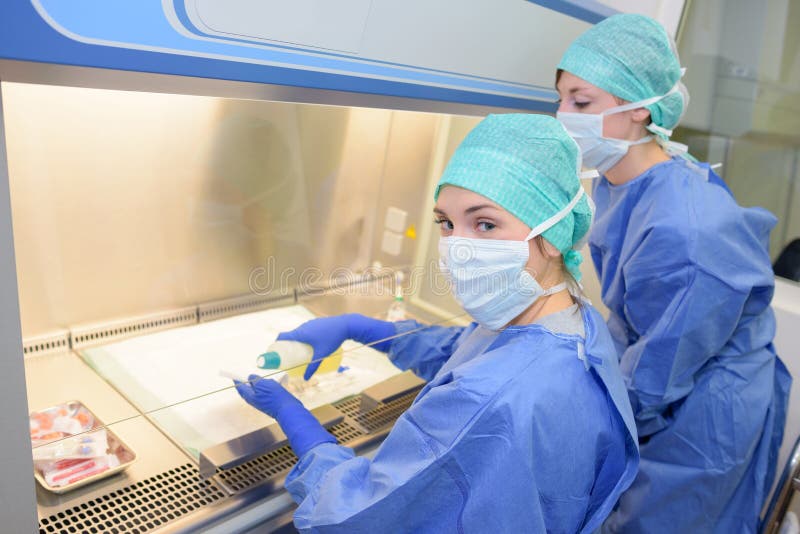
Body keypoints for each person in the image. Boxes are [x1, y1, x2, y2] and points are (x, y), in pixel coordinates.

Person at [234, 114, 639, 533]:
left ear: (552, 236)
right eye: (446, 223)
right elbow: (473, 351)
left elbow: (356, 516)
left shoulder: (489, 400)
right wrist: (368, 329)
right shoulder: (573, 321)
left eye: (485, 224)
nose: (458, 248)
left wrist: (301, 427)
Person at [555, 13, 792, 533]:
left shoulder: (685, 228)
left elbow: (658, 375)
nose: (562, 115)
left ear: (638, 109)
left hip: (701, 416)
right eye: (561, 98)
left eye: (581, 101)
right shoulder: (622, 181)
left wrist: (574, 433)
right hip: (669, 373)